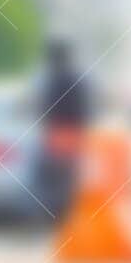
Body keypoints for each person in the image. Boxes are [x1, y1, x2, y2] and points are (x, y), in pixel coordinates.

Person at [35, 39, 91, 224]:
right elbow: (84, 110)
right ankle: (67, 217)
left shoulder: (54, 81)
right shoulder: (76, 80)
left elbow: (46, 109)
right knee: (69, 181)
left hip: (58, 135)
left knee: (57, 181)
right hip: (74, 135)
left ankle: (59, 217)